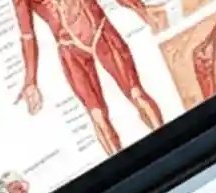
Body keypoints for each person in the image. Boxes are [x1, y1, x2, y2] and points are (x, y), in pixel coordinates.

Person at [13, 0, 164, 156]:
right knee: (98, 117)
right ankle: (120, 170)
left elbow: (27, 36)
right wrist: (30, 80)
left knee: (136, 94)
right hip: (70, 49)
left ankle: (167, 145)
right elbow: (27, 34)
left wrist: (139, 8)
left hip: (100, 31)